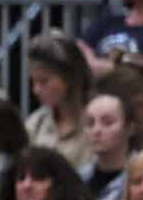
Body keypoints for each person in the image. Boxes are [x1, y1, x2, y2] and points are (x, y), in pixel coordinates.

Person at [22, 32, 92, 167]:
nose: (35, 91)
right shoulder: (35, 124)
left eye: (44, 81)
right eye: (33, 82)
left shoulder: (97, 121)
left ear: (70, 78)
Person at [78, 92, 136, 200]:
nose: (96, 130)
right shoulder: (78, 177)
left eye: (107, 122)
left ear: (129, 128)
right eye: (90, 123)